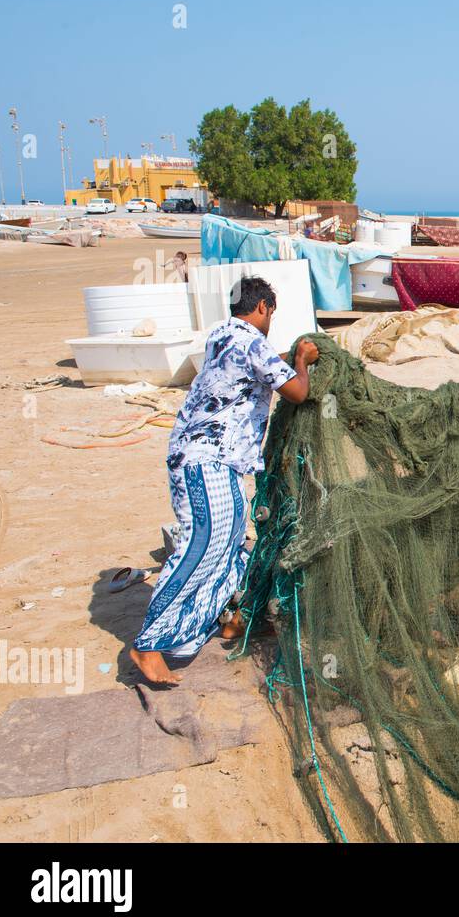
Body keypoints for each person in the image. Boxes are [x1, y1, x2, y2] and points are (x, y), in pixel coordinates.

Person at [129, 276, 318, 685]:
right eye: (273, 313)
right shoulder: (250, 341)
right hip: (206, 459)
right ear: (264, 307)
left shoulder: (223, 335)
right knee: (200, 546)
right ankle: (148, 644)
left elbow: (264, 364)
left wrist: (288, 356)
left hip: (212, 460)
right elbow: (297, 392)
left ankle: (212, 623)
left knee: (228, 544)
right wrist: (301, 361)